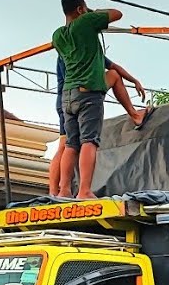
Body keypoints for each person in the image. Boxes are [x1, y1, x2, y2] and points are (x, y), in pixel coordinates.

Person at [53, 0, 150, 199]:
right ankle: (84, 191)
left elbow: (112, 67)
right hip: (88, 93)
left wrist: (132, 80)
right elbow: (117, 13)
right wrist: (92, 13)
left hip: (67, 96)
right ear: (80, 9)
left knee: (71, 144)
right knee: (89, 141)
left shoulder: (58, 35)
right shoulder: (86, 22)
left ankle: (63, 190)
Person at [49, 55, 150, 196]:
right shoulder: (88, 48)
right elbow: (114, 68)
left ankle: (57, 191)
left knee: (66, 145)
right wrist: (134, 81)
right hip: (84, 94)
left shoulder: (65, 51)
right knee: (86, 142)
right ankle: (134, 115)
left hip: (64, 101)